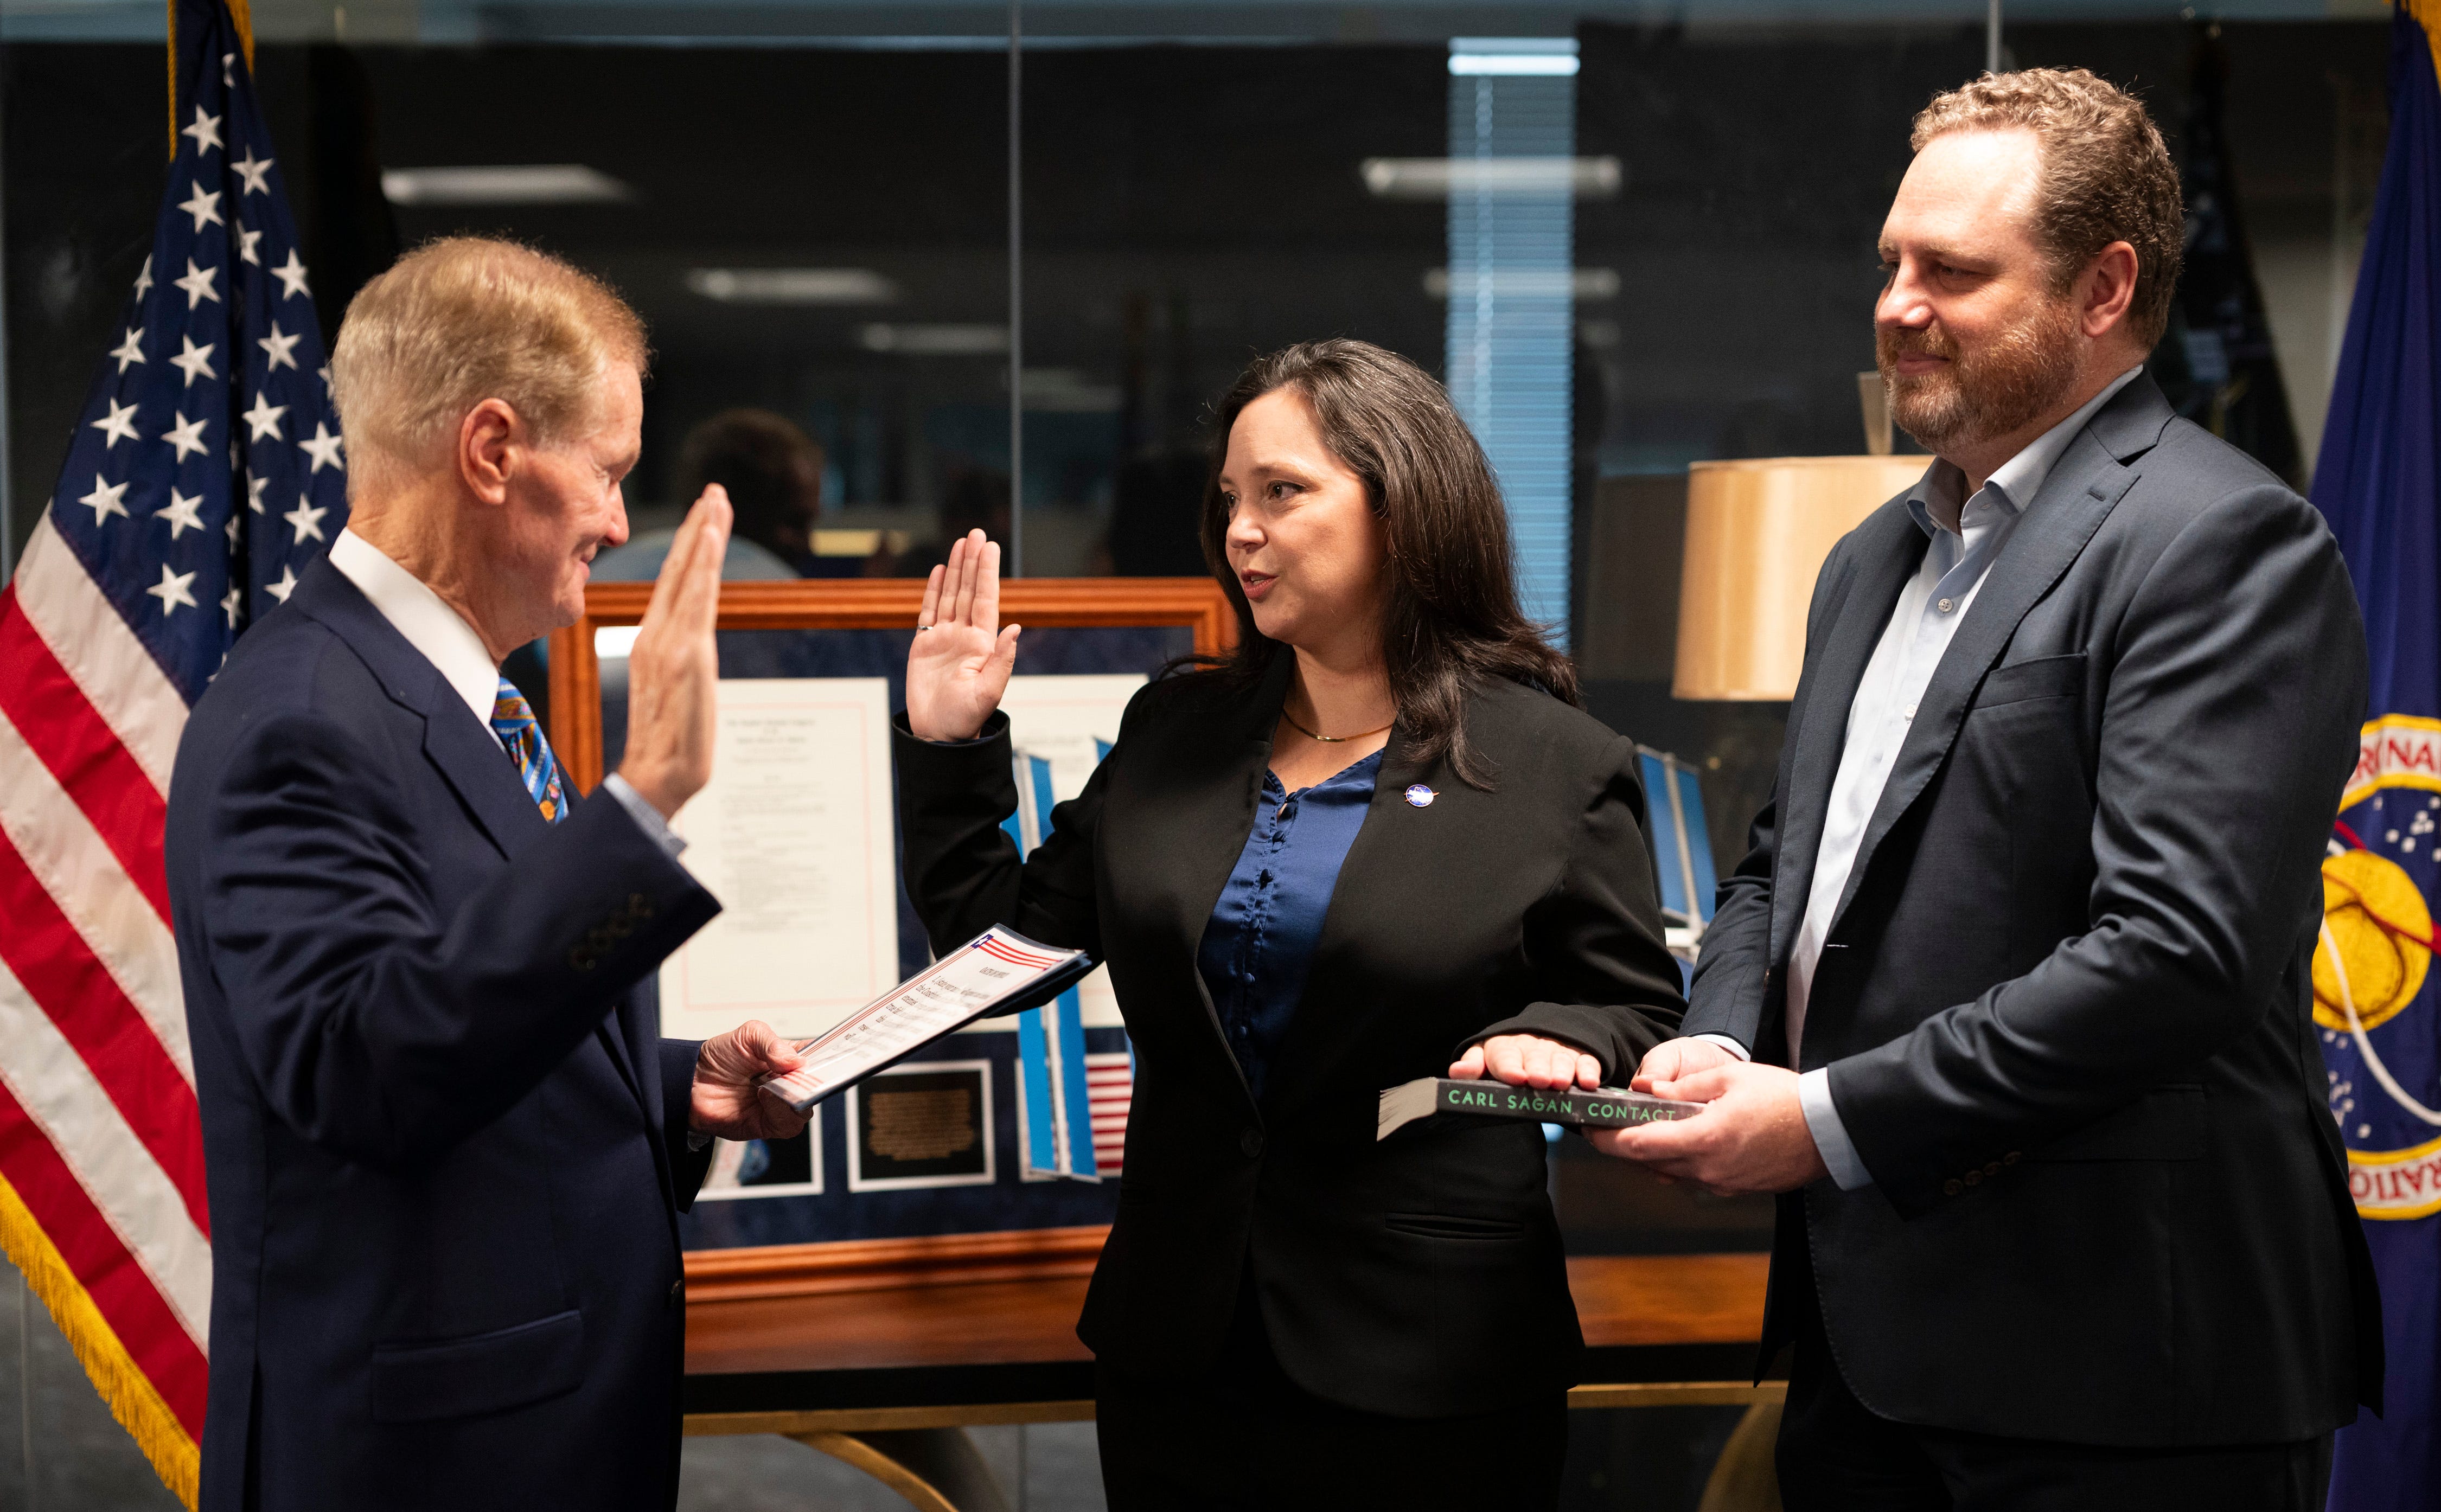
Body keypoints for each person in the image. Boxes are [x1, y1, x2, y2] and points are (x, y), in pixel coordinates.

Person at [1596, 69, 2382, 1509]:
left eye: (1951, 271)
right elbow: (1785, 866)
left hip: (2116, 1377)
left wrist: (1820, 1116)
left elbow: (2172, 955)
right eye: (1890, 262)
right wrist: (1719, 1043)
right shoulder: (1867, 559)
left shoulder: (2222, 544)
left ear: (2101, 290)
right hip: (1863, 1357)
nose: (1897, 303)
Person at [894, 339, 1685, 1510]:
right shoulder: (1176, 728)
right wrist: (952, 741)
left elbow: (1629, 997)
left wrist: (1561, 1033)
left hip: (1435, 1353)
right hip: (1180, 1346)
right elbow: (1001, 952)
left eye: (1282, 491)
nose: (1241, 533)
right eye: (1230, 501)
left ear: (1405, 505)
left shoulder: (1553, 762)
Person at [163, 237, 809, 1512]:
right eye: (610, 473)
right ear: (491, 450)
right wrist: (644, 802)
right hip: (422, 1462)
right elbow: (364, 1069)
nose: (623, 524)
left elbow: (470, 1003)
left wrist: (675, 1090)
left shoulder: (460, 694)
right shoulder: (298, 715)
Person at [590, 406, 827, 582]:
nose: (807, 545)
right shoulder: (786, 601)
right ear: (740, 510)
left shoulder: (607, 577)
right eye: (795, 522)